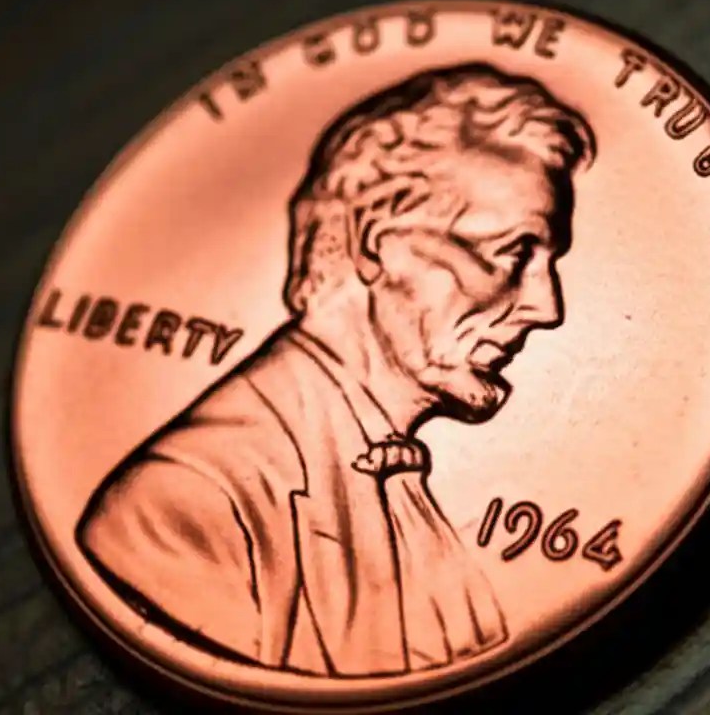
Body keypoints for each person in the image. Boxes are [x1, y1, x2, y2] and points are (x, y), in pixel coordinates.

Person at [76, 63, 596, 677]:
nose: (546, 308)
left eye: (546, 263)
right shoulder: (185, 504)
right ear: (376, 241)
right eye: (512, 253)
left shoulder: (390, 472)